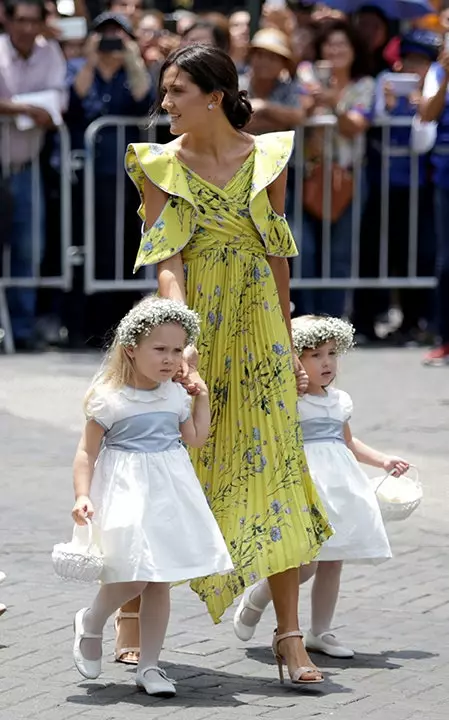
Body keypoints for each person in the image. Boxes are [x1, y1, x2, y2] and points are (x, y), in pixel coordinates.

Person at [121, 44, 333, 686]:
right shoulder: (159, 163)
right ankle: (131, 616)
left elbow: (277, 253)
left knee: (275, 466)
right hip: (191, 327)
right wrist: (180, 334)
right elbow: (167, 260)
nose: (166, 104)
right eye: (165, 91)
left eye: (177, 90)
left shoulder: (269, 156)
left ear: (214, 94)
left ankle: (289, 637)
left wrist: (289, 338)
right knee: (166, 464)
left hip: (261, 330)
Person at [71, 296, 233, 697]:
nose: (169, 359)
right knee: (134, 574)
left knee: (160, 579)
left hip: (169, 489)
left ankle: (150, 664)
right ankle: (92, 621)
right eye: (159, 349)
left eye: (177, 350)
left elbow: (195, 439)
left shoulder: (175, 395)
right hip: (126, 487)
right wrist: (81, 495)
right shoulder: (109, 397)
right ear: (131, 349)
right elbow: (86, 452)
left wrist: (202, 396)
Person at [234, 314, 410, 658]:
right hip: (306, 484)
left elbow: (347, 441)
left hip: (341, 486)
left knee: (334, 560)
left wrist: (383, 460)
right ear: (295, 360)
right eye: (315, 355)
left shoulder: (339, 400)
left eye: (331, 353)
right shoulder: (290, 401)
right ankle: (257, 596)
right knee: (304, 563)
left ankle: (321, 630)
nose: (326, 362)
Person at [353, 30, 439, 346]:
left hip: (419, 185)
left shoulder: (433, 90)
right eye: (410, 60)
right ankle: (365, 320)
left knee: (417, 253)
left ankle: (415, 321)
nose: (413, 68)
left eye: (421, 61)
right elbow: (373, 119)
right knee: (375, 251)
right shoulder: (383, 83)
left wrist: (422, 107)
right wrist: (388, 106)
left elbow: (425, 135)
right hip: (381, 183)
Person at [296, 19, 375, 318]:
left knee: (340, 254)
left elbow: (355, 126)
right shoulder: (307, 74)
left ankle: (332, 321)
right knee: (305, 250)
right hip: (309, 174)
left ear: (354, 50)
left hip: (348, 176)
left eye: (343, 44)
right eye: (330, 44)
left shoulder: (364, 85)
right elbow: (299, 113)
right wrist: (312, 101)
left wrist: (332, 102)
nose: (336, 50)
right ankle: (306, 319)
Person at [0, 0, 67, 350]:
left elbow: (60, 100)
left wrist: (30, 107)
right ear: (8, 21)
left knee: (29, 248)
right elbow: (40, 107)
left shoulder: (50, 52)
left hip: (26, 167)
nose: (26, 28)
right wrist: (25, 107)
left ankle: (22, 331)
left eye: (33, 21)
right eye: (20, 20)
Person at [418, 23, 449, 365]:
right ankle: (445, 337)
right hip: (445, 173)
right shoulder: (438, 71)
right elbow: (427, 114)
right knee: (447, 260)